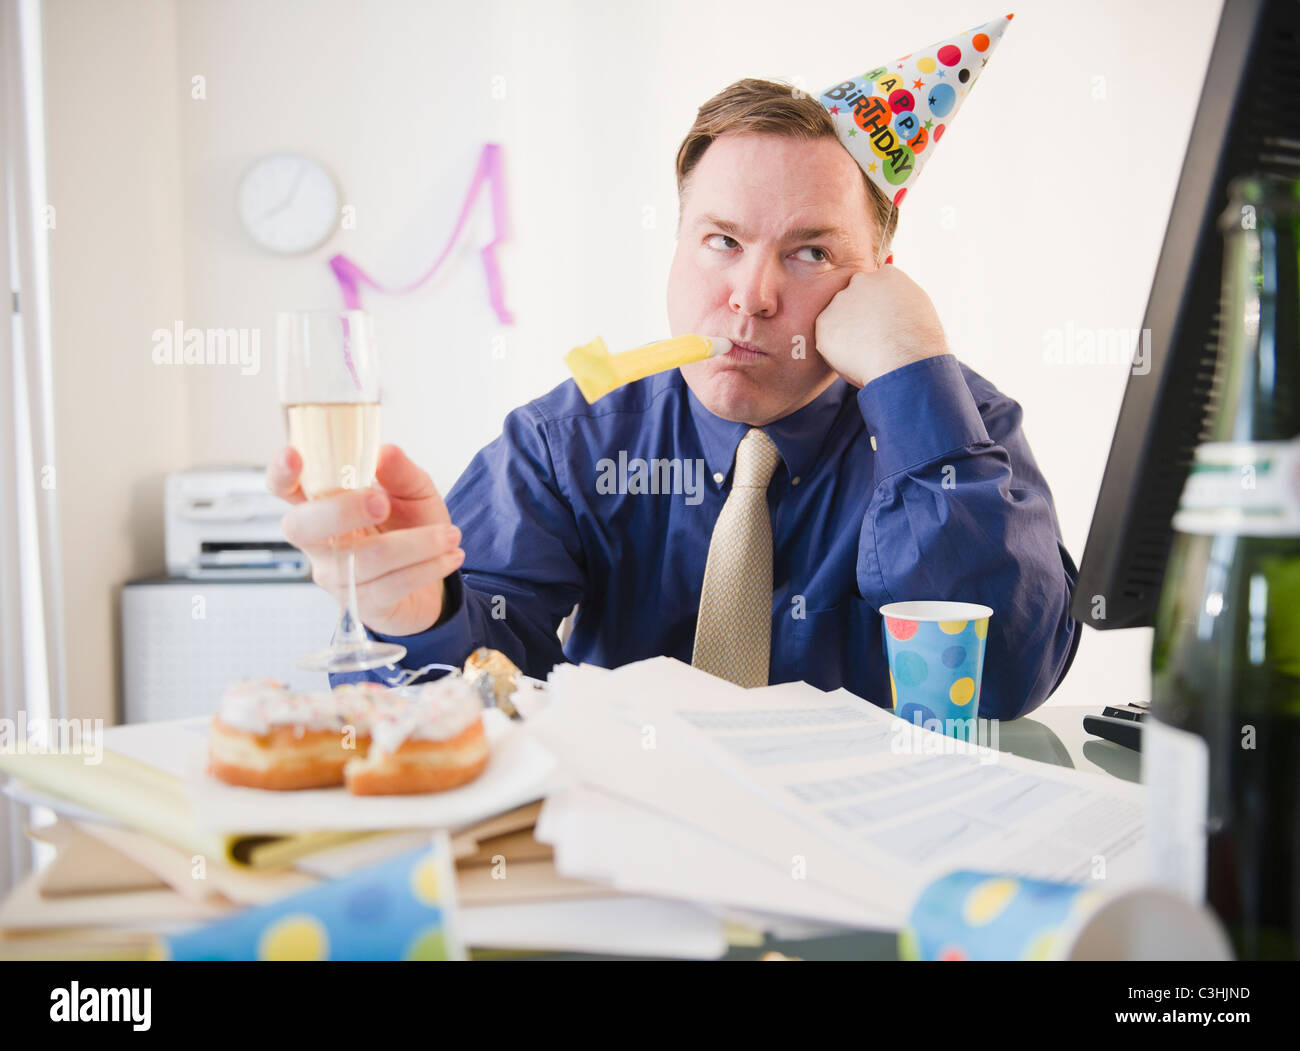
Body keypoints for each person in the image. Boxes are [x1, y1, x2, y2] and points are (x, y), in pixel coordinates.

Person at [269, 63, 1079, 722]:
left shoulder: (957, 425)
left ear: (877, 287)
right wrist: (418, 610)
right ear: (677, 249)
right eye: (721, 241)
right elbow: (475, 694)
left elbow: (1004, 677)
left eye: (811, 254)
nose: (752, 295)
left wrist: (910, 368)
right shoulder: (569, 443)